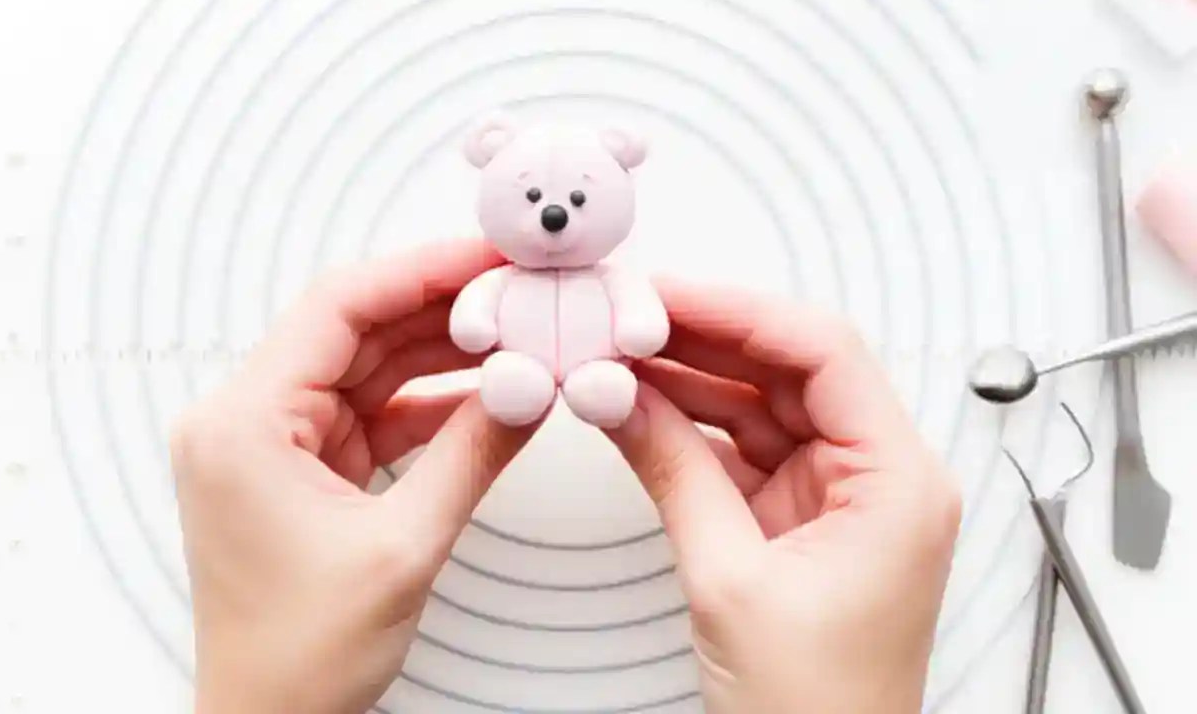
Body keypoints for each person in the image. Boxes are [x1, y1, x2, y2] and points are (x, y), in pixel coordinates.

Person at [170, 240, 963, 714]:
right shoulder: (509, 280)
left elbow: (641, 317)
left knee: (606, 391)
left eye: (576, 200)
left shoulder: (600, 285)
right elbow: (476, 311)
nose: (554, 217)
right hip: (523, 373)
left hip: (599, 375)